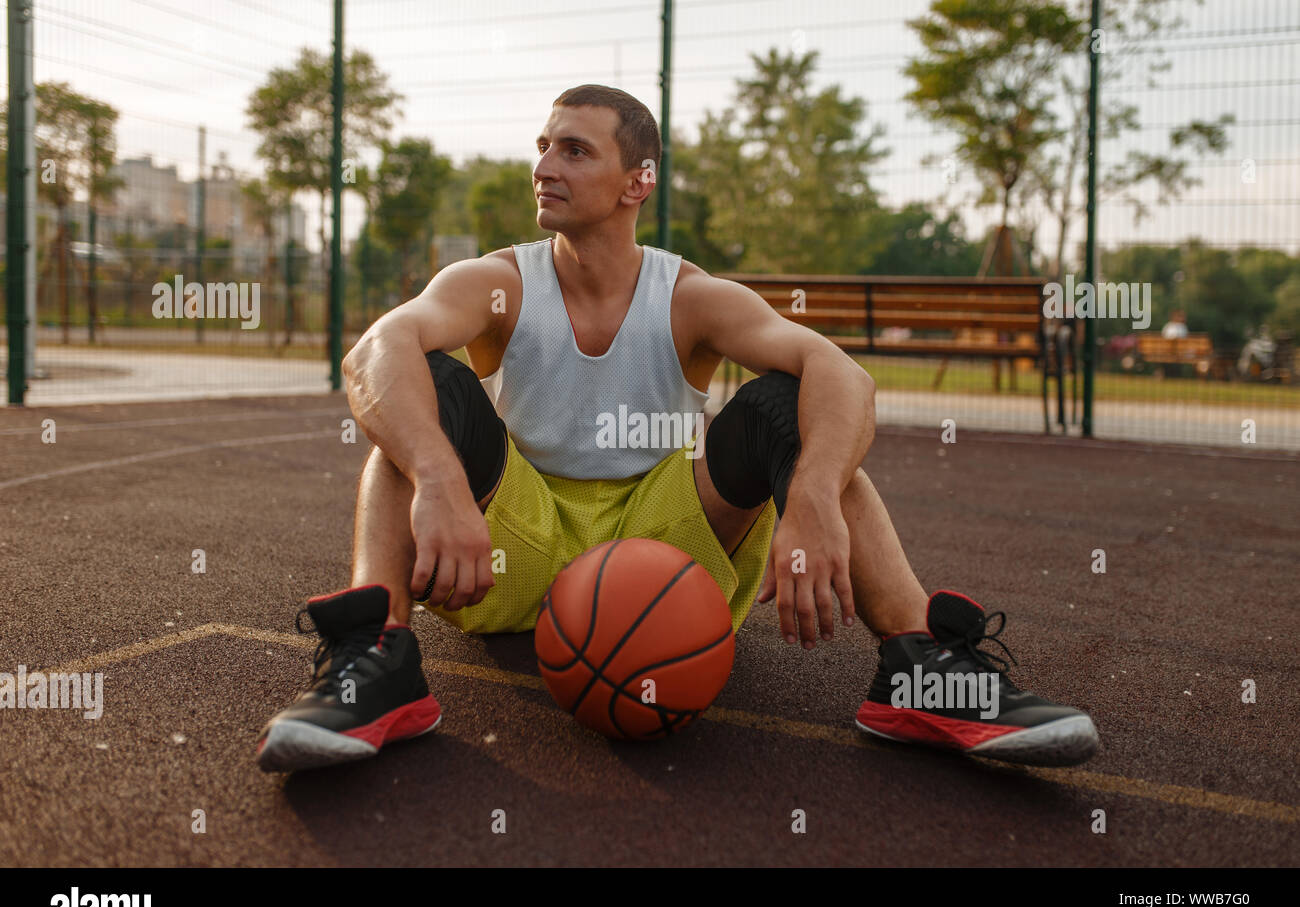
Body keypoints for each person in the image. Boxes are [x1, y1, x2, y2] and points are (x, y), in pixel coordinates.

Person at [256, 85, 1098, 773]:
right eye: (543, 146)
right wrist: (439, 478)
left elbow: (841, 373)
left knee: (786, 410)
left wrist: (810, 501)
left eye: (574, 150)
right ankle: (382, 662)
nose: (545, 166)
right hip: (519, 537)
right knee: (419, 401)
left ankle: (924, 671)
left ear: (638, 182)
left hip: (665, 543)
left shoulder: (689, 295)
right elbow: (377, 347)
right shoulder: (497, 280)